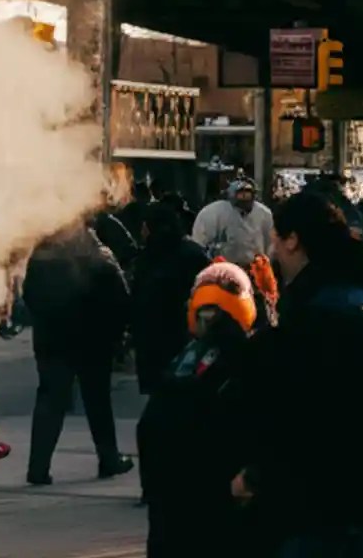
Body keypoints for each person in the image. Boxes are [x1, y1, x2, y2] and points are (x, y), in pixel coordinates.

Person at [232, 191, 363, 557]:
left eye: (276, 237)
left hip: (317, 495)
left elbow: (306, 414)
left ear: (293, 240)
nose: (272, 248)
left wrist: (258, 476)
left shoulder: (320, 311)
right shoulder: (357, 297)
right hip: (357, 484)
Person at [140, 262, 256, 556]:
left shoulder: (182, 361)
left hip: (170, 499)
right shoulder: (249, 358)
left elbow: (148, 427)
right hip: (221, 499)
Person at [22, 215, 134, 485]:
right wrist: (118, 334)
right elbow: (120, 296)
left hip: (51, 340)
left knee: (50, 400)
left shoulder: (41, 255)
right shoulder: (96, 252)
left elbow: (28, 295)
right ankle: (108, 459)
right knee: (98, 402)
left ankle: (38, 468)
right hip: (92, 341)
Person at [130, 202, 212, 504]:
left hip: (176, 351)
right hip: (175, 350)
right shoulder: (181, 254)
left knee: (159, 425)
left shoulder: (163, 258)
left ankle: (161, 487)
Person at [191, 178, 273, 266]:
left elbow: (270, 243)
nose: (244, 196)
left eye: (247, 192)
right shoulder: (211, 212)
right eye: (241, 192)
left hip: (256, 267)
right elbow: (199, 242)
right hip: (222, 267)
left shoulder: (264, 213)